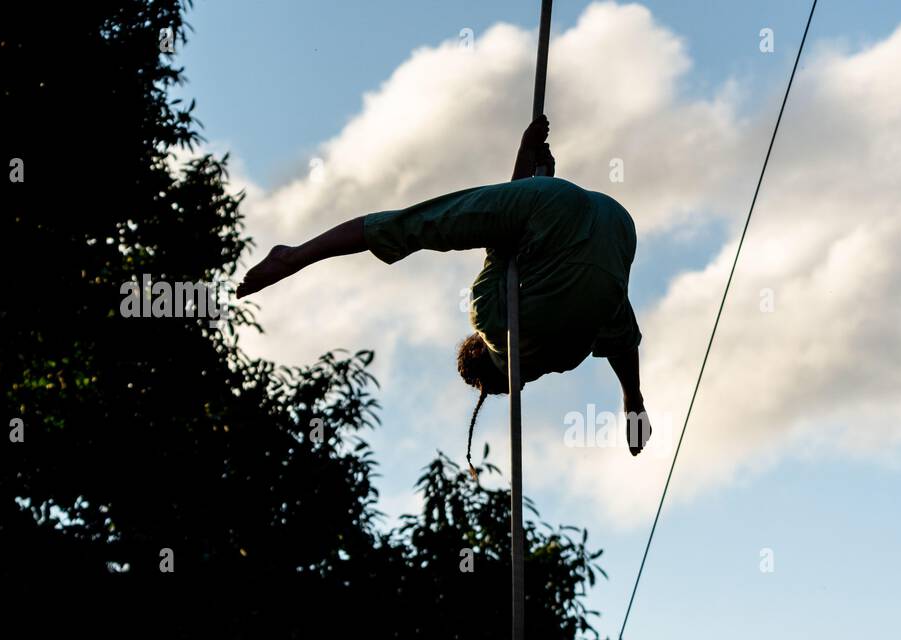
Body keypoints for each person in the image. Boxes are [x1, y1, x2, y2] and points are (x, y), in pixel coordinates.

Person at [237, 115, 651, 471]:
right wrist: (529, 170)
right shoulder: (492, 327)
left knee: (581, 286)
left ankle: (295, 257)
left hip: (615, 226)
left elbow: (621, 334)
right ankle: (296, 256)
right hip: (560, 214)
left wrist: (632, 398)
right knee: (419, 224)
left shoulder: (563, 356)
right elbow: (499, 236)